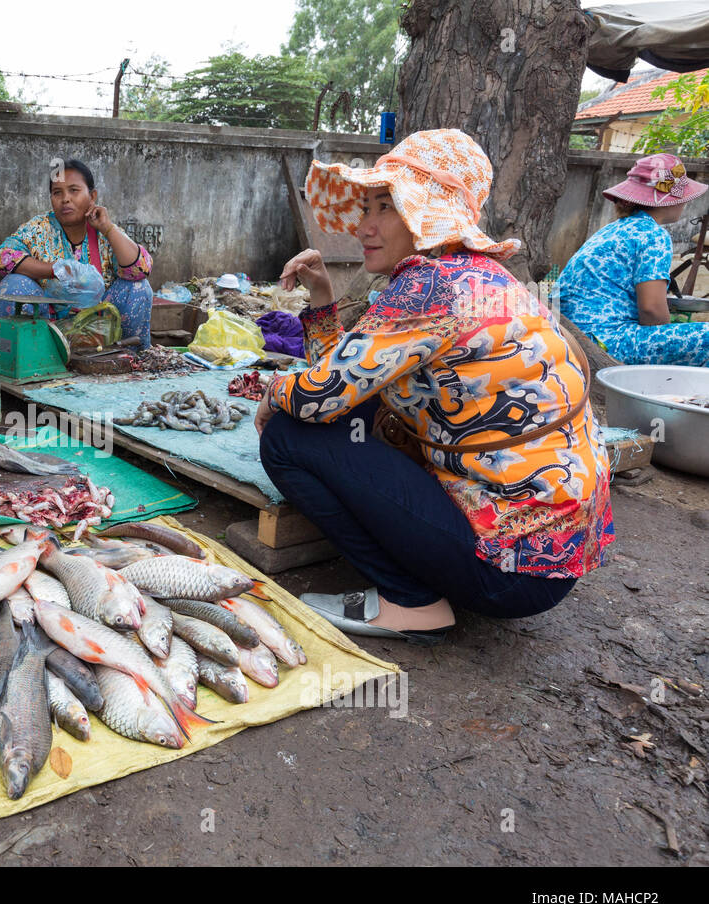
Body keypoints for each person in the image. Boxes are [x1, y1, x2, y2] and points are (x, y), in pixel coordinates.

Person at [255, 129, 615, 645]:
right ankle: (427, 575)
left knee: (288, 436)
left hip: (509, 572)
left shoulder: (428, 286)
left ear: (429, 216)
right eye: (368, 207)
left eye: (388, 206)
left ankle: (411, 601)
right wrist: (322, 297)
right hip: (548, 557)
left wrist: (273, 394)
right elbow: (345, 383)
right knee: (357, 416)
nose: (366, 226)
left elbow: (316, 397)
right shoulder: (475, 274)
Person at [557, 153, 708, 366]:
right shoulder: (652, 235)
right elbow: (652, 309)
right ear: (669, 200)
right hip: (606, 342)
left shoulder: (613, 229)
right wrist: (667, 337)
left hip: (571, 335)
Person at [0, 159, 154, 347]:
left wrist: (108, 228)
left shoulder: (104, 230)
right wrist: (55, 269)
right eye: (57, 193)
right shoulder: (39, 229)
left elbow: (141, 268)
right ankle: (31, 360)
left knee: (138, 288)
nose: (65, 199)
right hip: (49, 332)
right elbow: (2, 258)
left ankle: (128, 357)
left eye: (74, 190)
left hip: (100, 331)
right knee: (14, 285)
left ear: (92, 196)